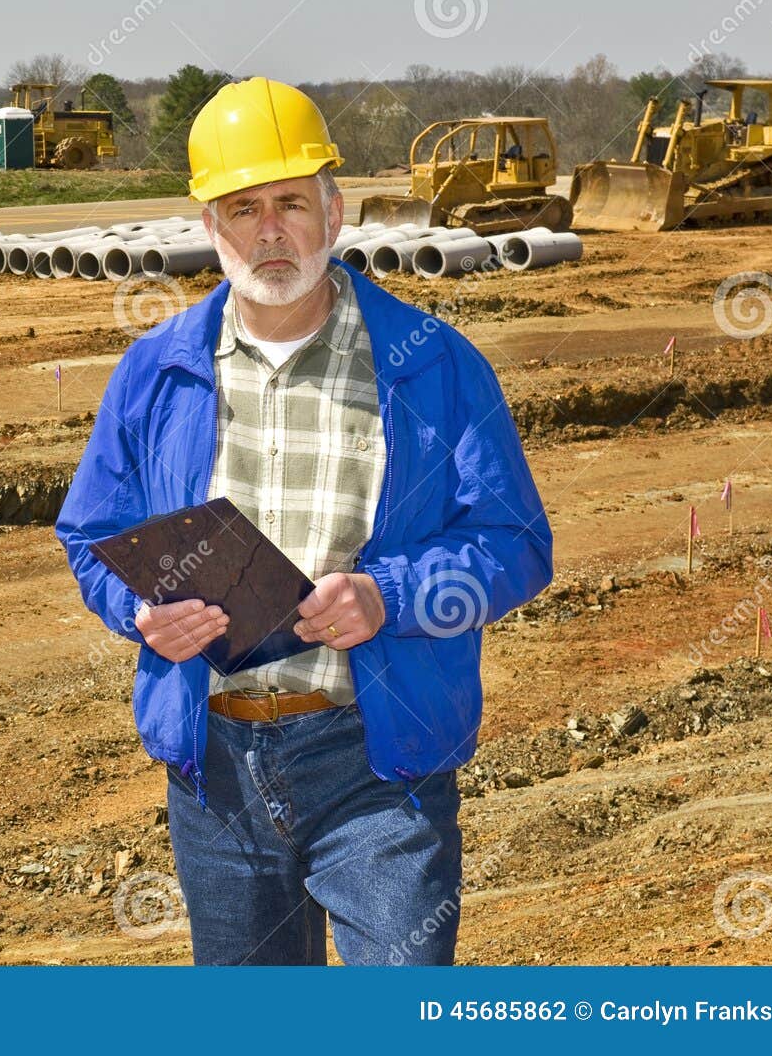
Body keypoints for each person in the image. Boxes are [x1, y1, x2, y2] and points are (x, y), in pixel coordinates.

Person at [54, 77, 553, 965]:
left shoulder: (431, 365)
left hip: (376, 762)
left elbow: (515, 545)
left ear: (336, 209)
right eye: (243, 208)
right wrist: (139, 613)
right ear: (210, 227)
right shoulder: (153, 372)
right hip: (214, 771)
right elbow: (92, 537)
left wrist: (388, 597)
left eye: (290, 201)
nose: (269, 230)